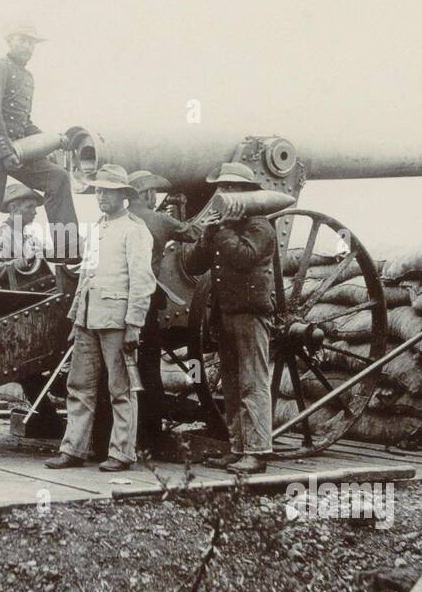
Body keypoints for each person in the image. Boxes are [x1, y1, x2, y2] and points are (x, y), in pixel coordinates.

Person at [45, 164, 155, 472]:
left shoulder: (135, 231)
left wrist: (134, 324)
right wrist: (76, 318)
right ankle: (73, 449)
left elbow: (142, 281)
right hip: (88, 322)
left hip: (116, 322)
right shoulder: (97, 228)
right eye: (98, 190)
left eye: (108, 191)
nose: (101, 196)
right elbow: (85, 278)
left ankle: (122, 453)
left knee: (120, 390)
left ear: (123, 196)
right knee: (79, 387)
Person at [181, 162, 277, 474]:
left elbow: (244, 257)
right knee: (233, 386)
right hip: (226, 315)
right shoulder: (224, 228)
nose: (224, 193)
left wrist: (222, 230)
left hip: (250, 315)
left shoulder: (260, 226)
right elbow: (194, 266)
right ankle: (238, 447)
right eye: (222, 188)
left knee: (253, 383)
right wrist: (207, 236)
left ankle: (258, 451)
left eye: (231, 188)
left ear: (247, 193)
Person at [0, 21, 80, 262]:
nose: (27, 46)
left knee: (57, 178)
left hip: (17, 150)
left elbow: (24, 123)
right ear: (9, 41)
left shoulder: (27, 77)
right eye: (22, 40)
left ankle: (67, 251)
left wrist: (53, 141)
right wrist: (5, 152)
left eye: (31, 42)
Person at [126, 169, 201, 454]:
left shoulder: (118, 221)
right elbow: (193, 233)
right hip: (145, 303)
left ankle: (123, 435)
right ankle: (151, 436)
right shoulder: (158, 220)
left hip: (118, 303)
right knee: (149, 370)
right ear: (146, 194)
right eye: (153, 192)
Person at [0, 181, 46, 283]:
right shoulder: (3, 233)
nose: (35, 212)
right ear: (13, 208)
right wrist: (27, 259)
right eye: (29, 207)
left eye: (34, 207)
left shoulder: (25, 233)